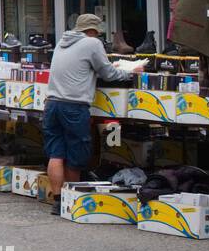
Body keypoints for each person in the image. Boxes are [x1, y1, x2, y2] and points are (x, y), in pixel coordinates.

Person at [44, 14, 143, 203]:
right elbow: (109, 73)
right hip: (74, 106)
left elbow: (81, 67)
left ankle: (58, 200)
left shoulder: (62, 42)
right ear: (93, 31)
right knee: (75, 155)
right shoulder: (92, 43)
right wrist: (130, 71)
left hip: (52, 104)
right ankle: (73, 201)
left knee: (56, 154)